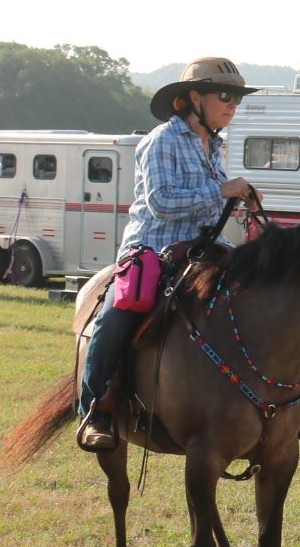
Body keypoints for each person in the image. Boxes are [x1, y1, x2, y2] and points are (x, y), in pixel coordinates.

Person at [76, 56, 278, 451]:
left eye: (237, 98)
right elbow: (161, 203)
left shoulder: (213, 145)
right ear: (192, 98)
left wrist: (243, 200)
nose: (232, 104)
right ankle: (95, 410)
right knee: (119, 312)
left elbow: (205, 204)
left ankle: (278, 397)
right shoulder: (162, 140)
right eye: (225, 95)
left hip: (206, 251)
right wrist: (224, 190)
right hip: (154, 249)